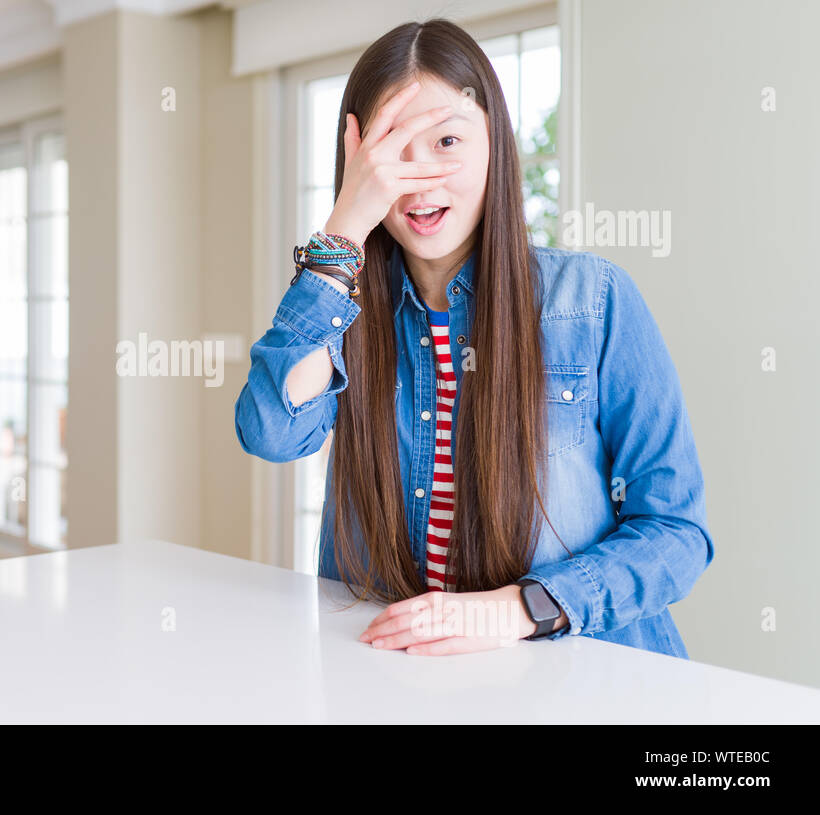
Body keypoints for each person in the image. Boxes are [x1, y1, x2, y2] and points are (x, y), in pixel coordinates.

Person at [233, 18, 713, 658]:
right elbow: (271, 432)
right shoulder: (341, 313)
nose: (421, 177)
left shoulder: (592, 300)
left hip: (583, 686)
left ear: (496, 145)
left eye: (447, 141)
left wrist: (520, 609)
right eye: (391, 149)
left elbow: (676, 531)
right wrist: (343, 230)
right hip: (401, 685)